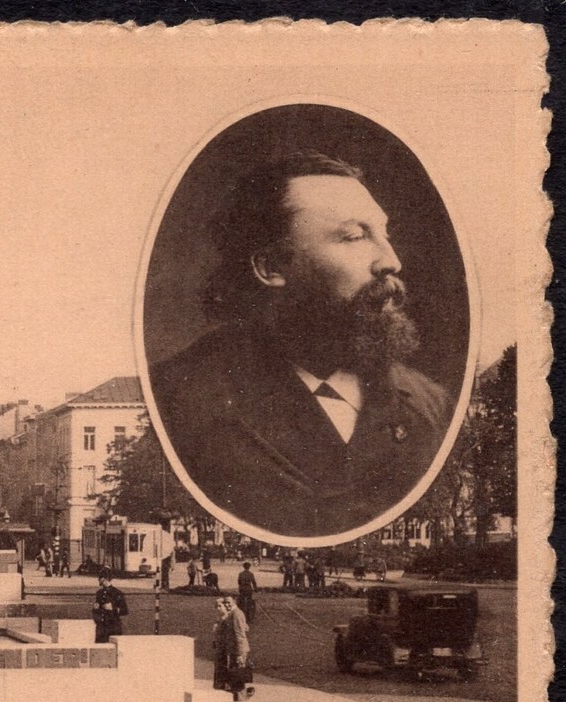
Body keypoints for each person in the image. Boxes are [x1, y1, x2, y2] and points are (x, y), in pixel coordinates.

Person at [151, 150, 453, 538]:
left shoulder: (428, 402)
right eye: (355, 236)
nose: (390, 261)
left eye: (384, 234)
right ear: (272, 267)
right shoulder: (179, 396)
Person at [212, 596, 252, 698]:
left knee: (238, 676)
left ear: (235, 601)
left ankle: (241, 701)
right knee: (236, 676)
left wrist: (240, 654)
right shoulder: (232, 614)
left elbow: (239, 635)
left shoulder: (236, 614)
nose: (227, 605)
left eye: (229, 602)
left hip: (238, 650)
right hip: (234, 650)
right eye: (225, 603)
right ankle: (239, 699)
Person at [92, 570, 129, 642]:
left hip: (113, 626)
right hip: (101, 627)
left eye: (100, 578)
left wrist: (113, 608)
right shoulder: (99, 593)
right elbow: (96, 611)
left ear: (106, 578)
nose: (98, 580)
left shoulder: (117, 593)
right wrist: (95, 608)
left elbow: (124, 610)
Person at [237, 561, 259, 625]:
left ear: (243, 567)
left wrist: (240, 587)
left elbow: (239, 582)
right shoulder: (251, 574)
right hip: (248, 589)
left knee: (241, 602)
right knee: (249, 602)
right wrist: (256, 589)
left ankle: (241, 614)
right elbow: (254, 582)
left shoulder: (240, 574)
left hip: (242, 589)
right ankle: (248, 615)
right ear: (249, 567)